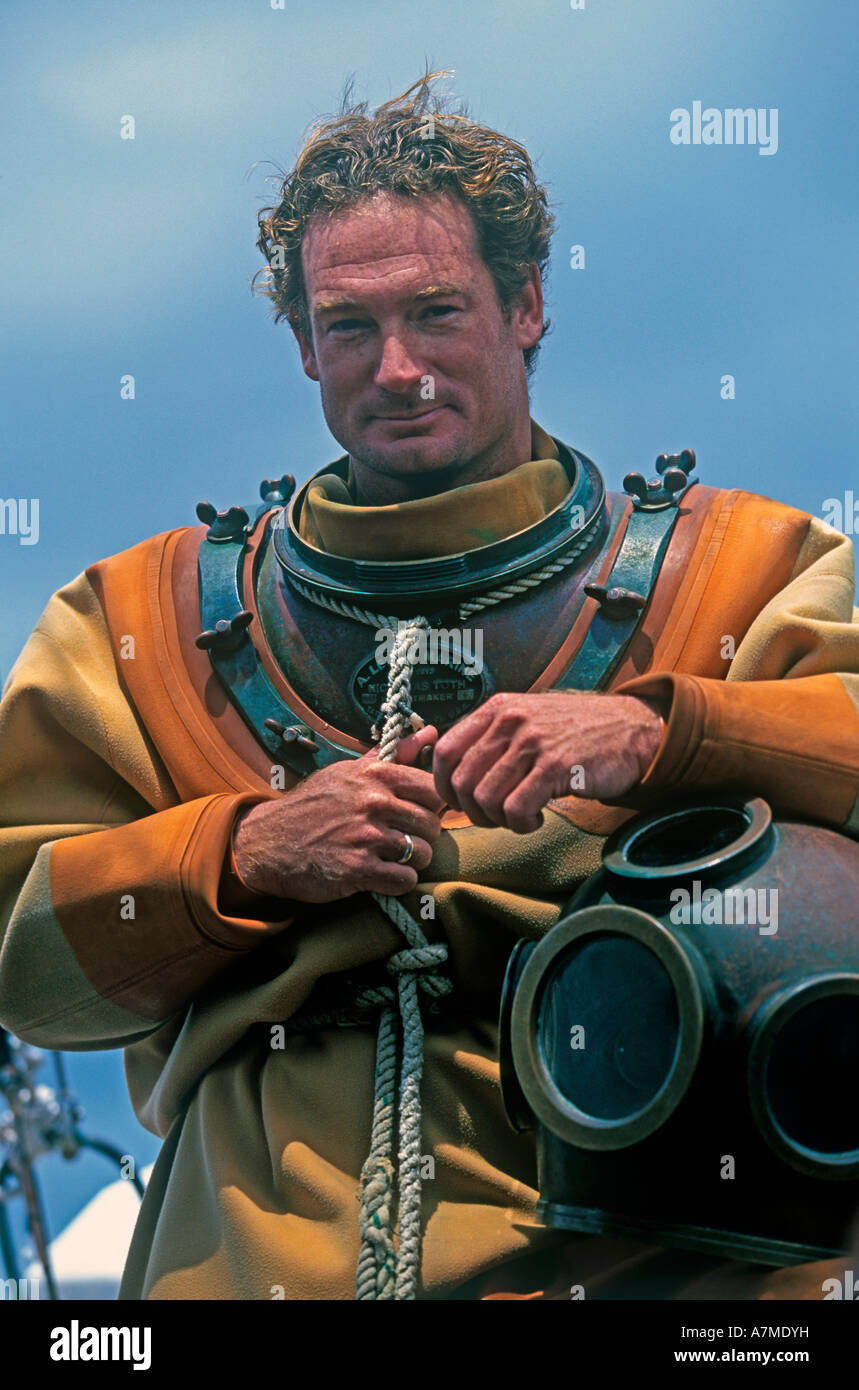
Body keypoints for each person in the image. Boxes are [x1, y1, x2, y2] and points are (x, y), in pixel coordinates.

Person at [1, 71, 857, 1302]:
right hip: (252, 1261)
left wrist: (663, 732)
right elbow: (25, 967)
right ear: (301, 343)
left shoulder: (745, 581)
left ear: (526, 307)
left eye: (438, 311)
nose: (396, 367)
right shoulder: (135, 629)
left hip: (662, 1262)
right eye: (349, 326)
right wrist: (240, 855)